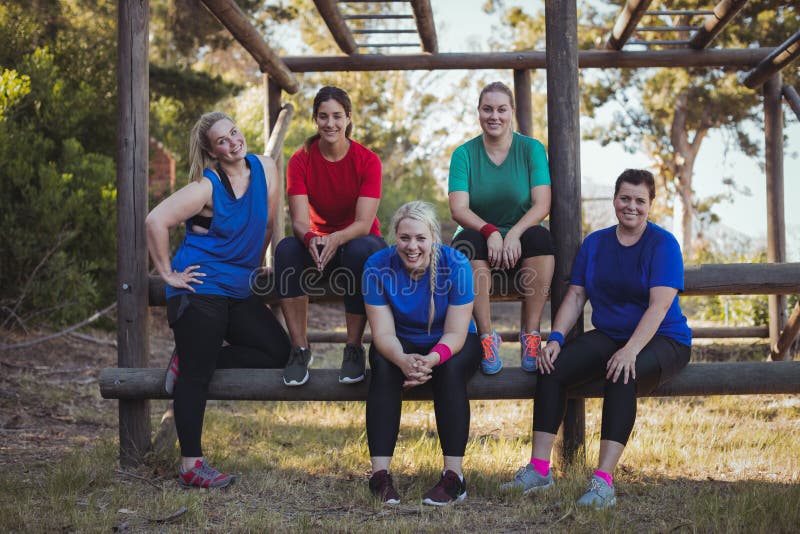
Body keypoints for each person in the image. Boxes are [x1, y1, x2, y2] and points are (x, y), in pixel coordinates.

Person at [501, 169, 692, 509]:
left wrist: (630, 351)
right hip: (610, 334)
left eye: (640, 201)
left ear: (650, 205)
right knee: (551, 366)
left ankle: (603, 482)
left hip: (664, 338)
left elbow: (660, 305)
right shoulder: (596, 243)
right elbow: (576, 296)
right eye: (625, 198)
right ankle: (539, 470)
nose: (631, 206)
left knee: (621, 373)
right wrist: (556, 338)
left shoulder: (663, 244)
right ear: (614, 199)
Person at [146, 111, 290, 488]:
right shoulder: (207, 187)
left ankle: (191, 356)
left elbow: (269, 224)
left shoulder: (266, 168)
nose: (232, 142)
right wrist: (167, 274)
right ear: (213, 151)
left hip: (238, 289)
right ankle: (191, 466)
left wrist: (262, 264)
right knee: (197, 375)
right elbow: (155, 220)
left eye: (234, 133)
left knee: (277, 351)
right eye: (222, 141)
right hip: (199, 288)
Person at [362, 201, 482, 506]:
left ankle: (454, 477)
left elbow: (456, 332)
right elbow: (383, 334)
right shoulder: (377, 266)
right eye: (404, 238)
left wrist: (432, 359)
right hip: (401, 343)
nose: (411, 246)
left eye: (419, 238)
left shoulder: (456, 264)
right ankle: (380, 476)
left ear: (432, 238)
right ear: (394, 238)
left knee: (450, 369)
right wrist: (403, 360)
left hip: (450, 343)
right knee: (382, 362)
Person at [275, 86, 387, 387]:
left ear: (348, 119)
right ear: (315, 119)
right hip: (318, 245)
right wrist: (311, 239)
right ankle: (299, 349)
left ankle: (353, 348)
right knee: (286, 249)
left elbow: (364, 224)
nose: (330, 123)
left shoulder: (367, 161)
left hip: (359, 244)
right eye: (323, 116)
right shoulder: (300, 160)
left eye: (337, 116)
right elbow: (298, 220)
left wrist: (336, 238)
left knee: (357, 250)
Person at [449, 81, 555, 376]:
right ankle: (486, 337)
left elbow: (542, 204)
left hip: (522, 237)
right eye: (487, 109)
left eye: (501, 109)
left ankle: (531, 335)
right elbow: (458, 209)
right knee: (467, 242)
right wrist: (492, 231)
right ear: (478, 113)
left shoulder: (531, 149)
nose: (494, 116)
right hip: (479, 237)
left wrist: (515, 234)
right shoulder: (464, 154)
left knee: (541, 237)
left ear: (512, 112)